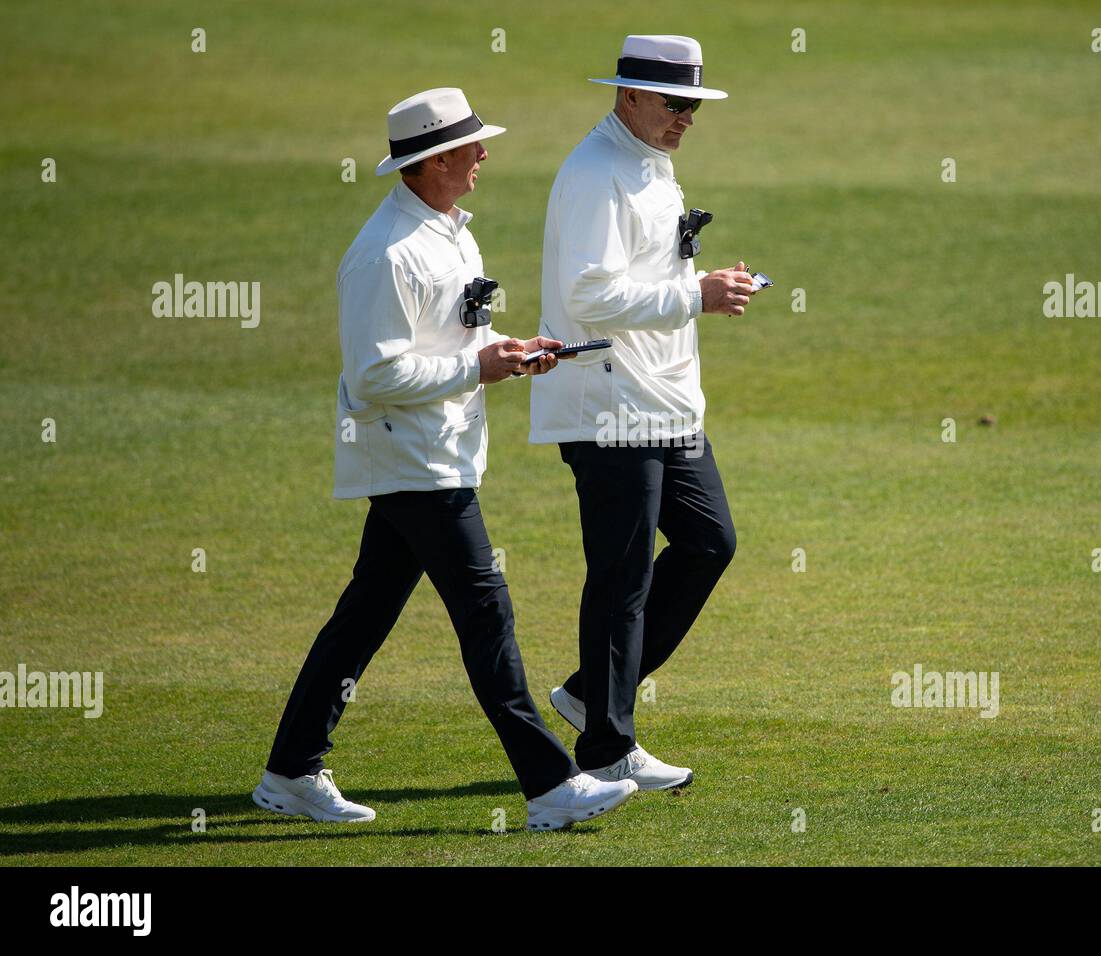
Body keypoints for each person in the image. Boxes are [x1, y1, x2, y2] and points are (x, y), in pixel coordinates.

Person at [253, 88, 638, 831]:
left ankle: (290, 770)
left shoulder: (450, 233)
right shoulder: (385, 255)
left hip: (442, 455)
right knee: (487, 614)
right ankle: (551, 785)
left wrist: (513, 352)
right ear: (430, 163)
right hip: (412, 461)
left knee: (363, 616)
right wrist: (478, 368)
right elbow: (372, 378)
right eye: (470, 147)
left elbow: (450, 345)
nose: (484, 155)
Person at [530, 37, 750, 789]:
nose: (687, 116)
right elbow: (589, 295)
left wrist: (700, 284)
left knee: (709, 541)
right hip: (609, 404)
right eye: (675, 104)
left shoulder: (649, 162)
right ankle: (607, 747)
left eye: (694, 105)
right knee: (621, 575)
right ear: (628, 96)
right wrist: (697, 295)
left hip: (662, 402)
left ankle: (591, 696)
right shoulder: (597, 174)